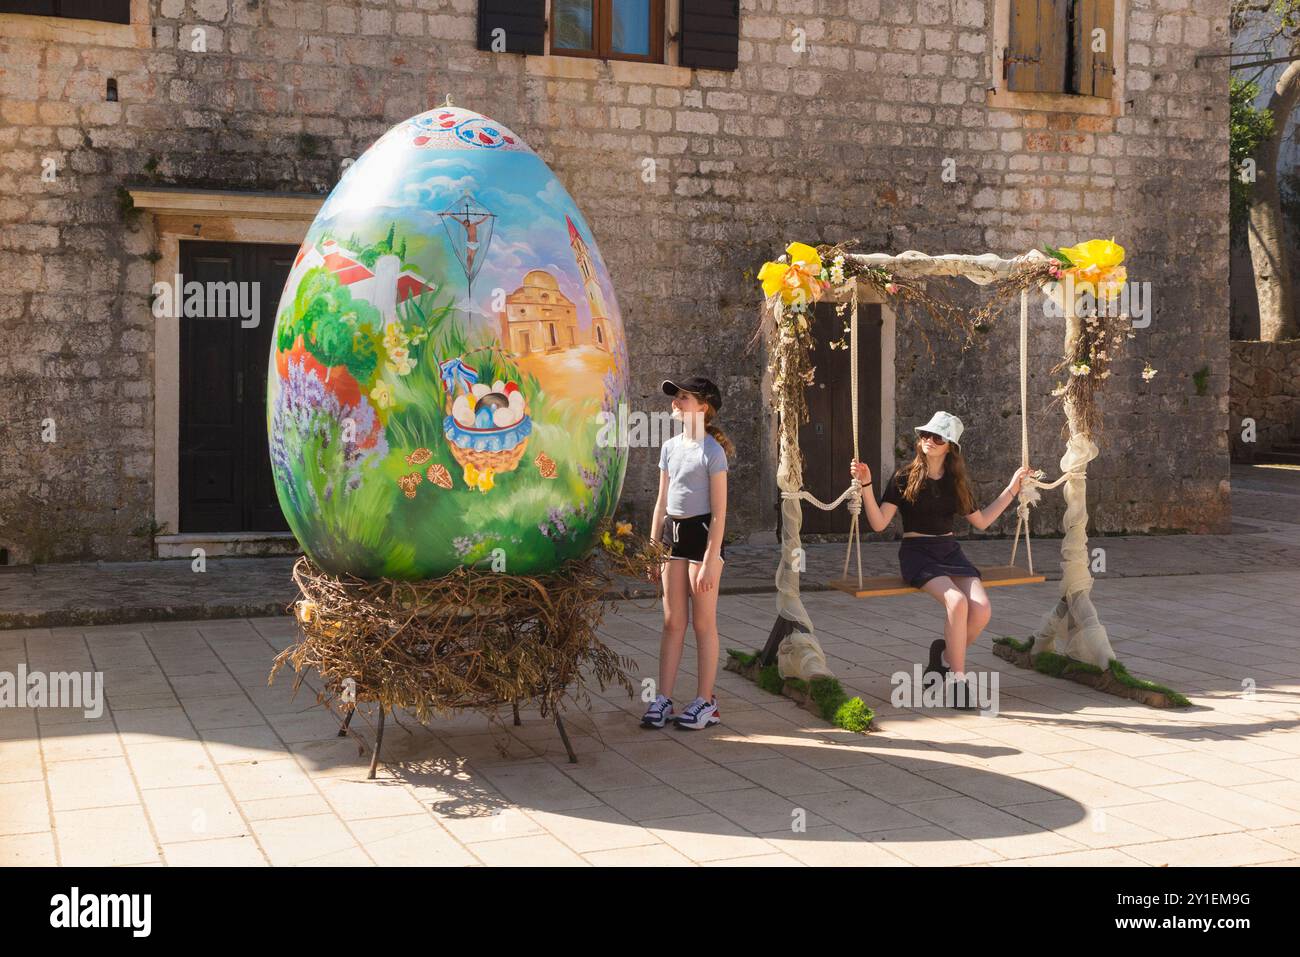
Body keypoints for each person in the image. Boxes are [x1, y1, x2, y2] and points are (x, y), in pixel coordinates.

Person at [850, 411, 1032, 708]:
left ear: (950, 446)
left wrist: (1013, 488)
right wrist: (866, 486)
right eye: (925, 435)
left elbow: (982, 521)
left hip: (950, 551)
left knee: (982, 609)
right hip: (917, 553)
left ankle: (945, 657)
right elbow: (880, 523)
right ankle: (958, 682)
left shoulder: (954, 482)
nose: (928, 441)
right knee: (957, 602)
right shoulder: (903, 478)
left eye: (937, 437)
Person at [642, 376, 733, 730]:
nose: (676, 403)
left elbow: (721, 511)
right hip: (672, 537)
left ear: (703, 407)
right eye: (675, 397)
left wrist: (711, 560)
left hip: (702, 537)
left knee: (702, 623)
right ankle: (663, 698)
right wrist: (653, 547)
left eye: (683, 397)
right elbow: (661, 502)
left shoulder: (713, 451)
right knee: (672, 622)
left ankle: (706, 702)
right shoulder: (669, 447)